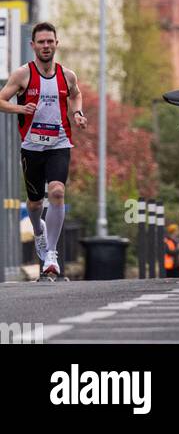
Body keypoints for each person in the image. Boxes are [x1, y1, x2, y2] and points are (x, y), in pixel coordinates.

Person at [0, 21, 86, 279]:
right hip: (32, 147)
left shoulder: (67, 75)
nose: (46, 46)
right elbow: (1, 100)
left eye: (50, 41)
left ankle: (51, 254)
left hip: (59, 143)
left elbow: (76, 94)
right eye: (41, 42)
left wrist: (78, 113)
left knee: (57, 192)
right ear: (33, 46)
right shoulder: (22, 75)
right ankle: (38, 230)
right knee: (35, 202)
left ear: (56, 44)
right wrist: (20, 108)